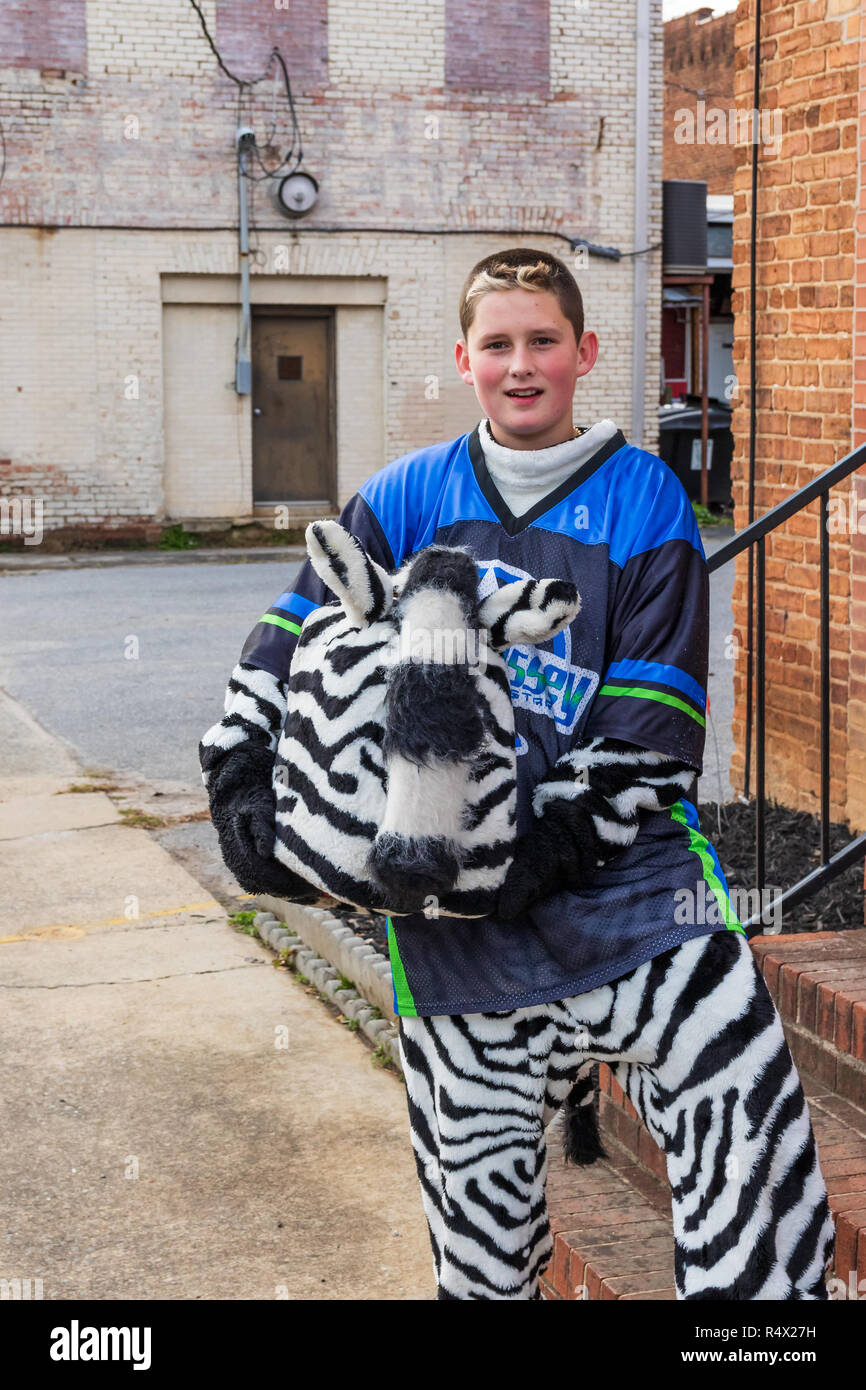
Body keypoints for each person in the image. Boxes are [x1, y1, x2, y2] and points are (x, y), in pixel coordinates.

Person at [200, 247, 834, 1301]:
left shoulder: (644, 501)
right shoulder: (404, 497)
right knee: (480, 1245)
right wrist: (241, 784)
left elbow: (652, 722)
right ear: (463, 358)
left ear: (583, 353)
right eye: (497, 344)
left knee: (752, 1168)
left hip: (633, 908)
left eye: (542, 340)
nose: (520, 364)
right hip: (455, 940)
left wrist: (539, 847)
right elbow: (282, 643)